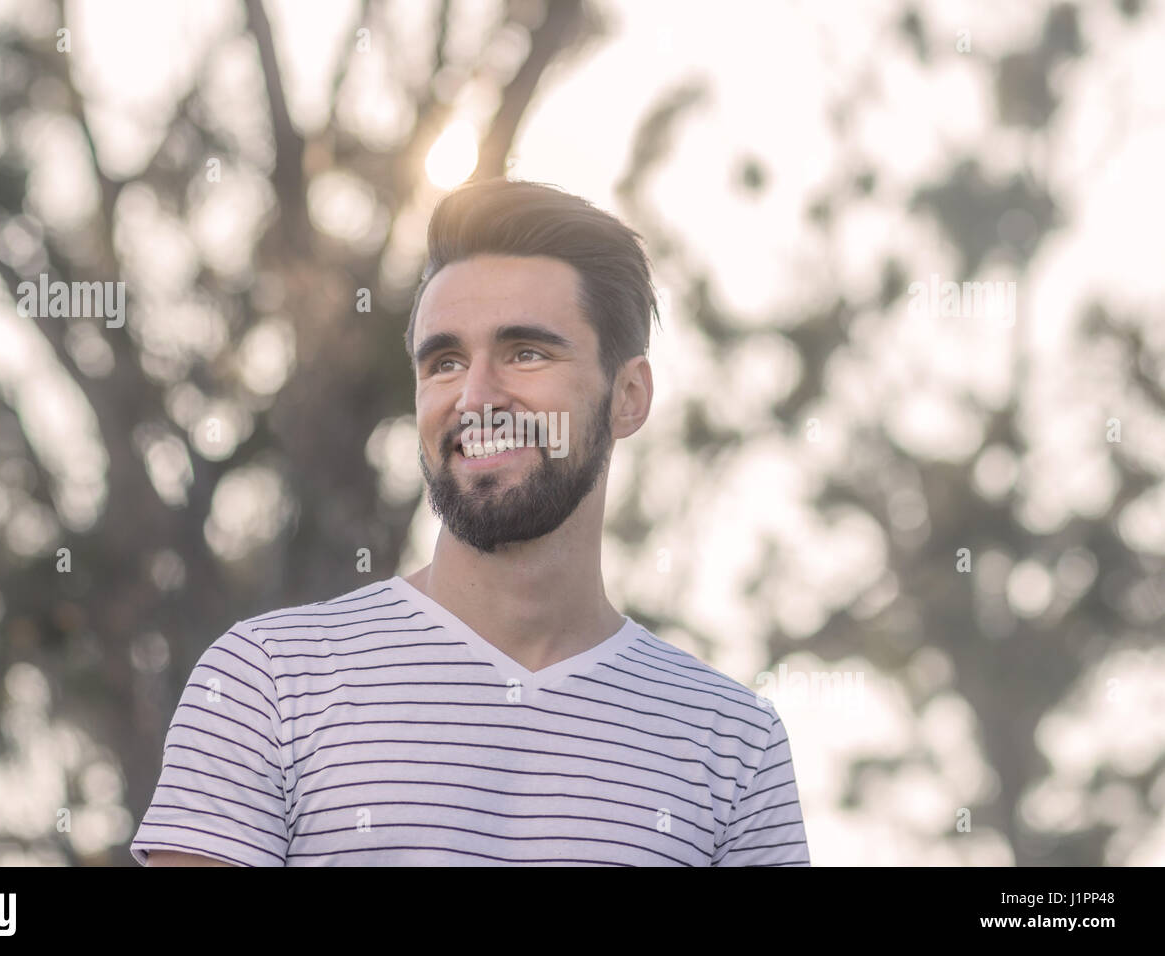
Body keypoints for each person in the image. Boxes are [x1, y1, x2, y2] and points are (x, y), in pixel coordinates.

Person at [131, 178, 810, 866]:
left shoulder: (732, 745)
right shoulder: (267, 684)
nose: (476, 397)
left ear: (628, 396)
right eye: (445, 362)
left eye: (526, 353)